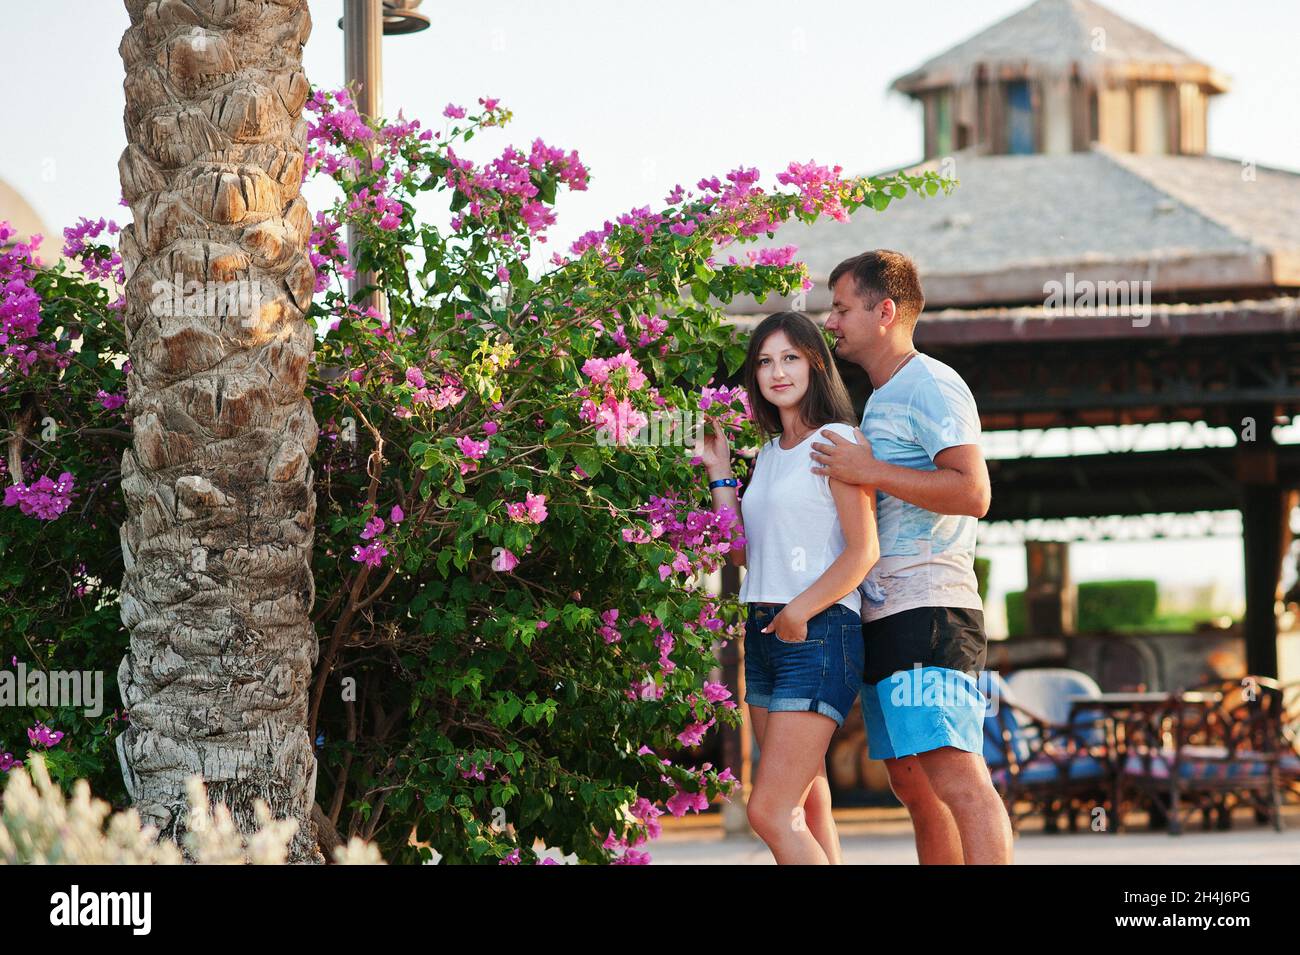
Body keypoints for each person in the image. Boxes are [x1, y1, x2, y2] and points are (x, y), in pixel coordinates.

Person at [809, 249, 1014, 865]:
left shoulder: (931, 381)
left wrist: (871, 469)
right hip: (887, 613)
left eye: (843, 308)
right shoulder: (881, 397)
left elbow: (973, 491)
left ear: (885, 311)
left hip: (929, 608)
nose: (832, 321)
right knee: (915, 786)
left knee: (956, 780)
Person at [699, 310, 878, 864]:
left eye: (790, 358)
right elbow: (742, 552)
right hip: (766, 630)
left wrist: (800, 611)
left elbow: (863, 550)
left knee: (770, 811)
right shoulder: (772, 454)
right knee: (807, 804)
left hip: (818, 630)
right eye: (765, 362)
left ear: (816, 363)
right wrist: (720, 473)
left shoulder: (838, 440)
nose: (777, 372)